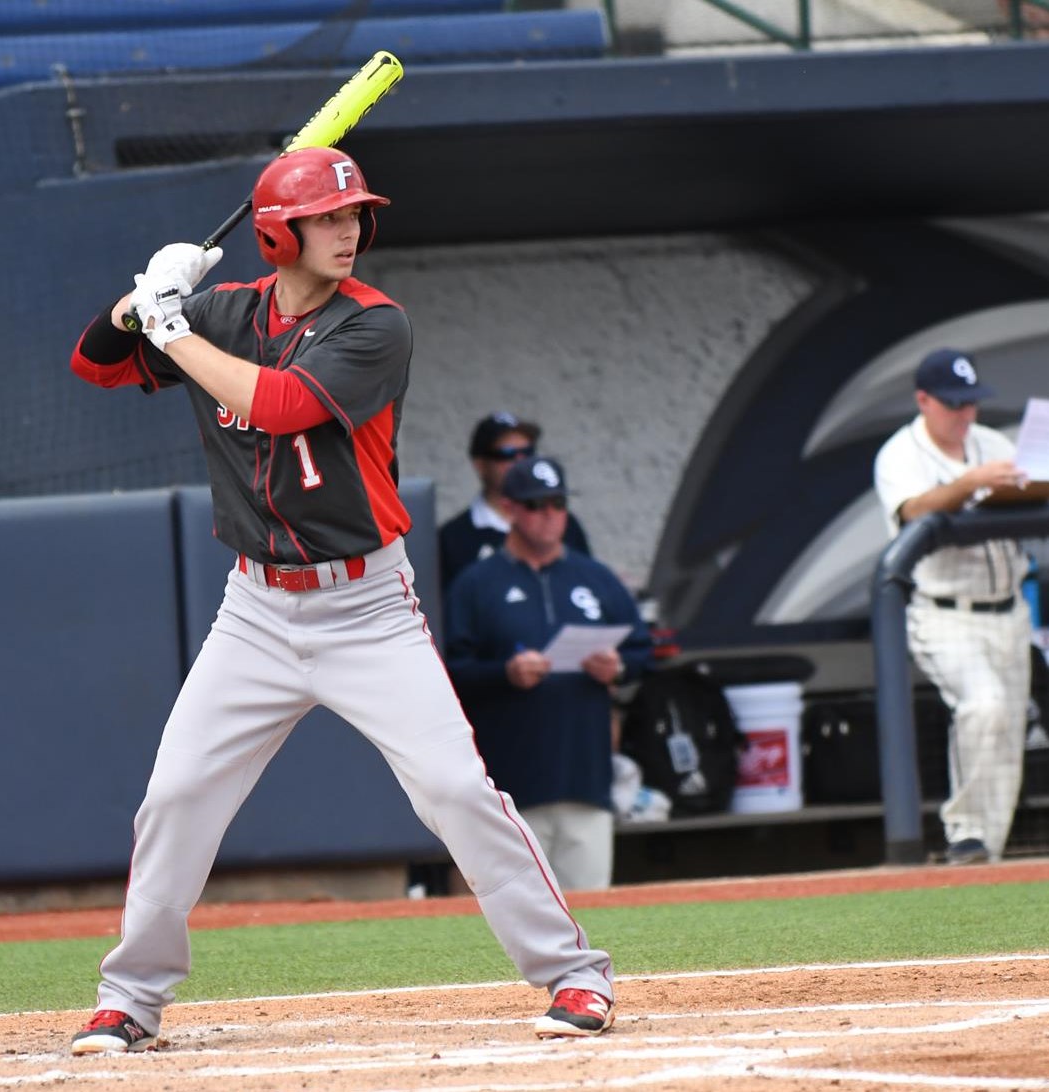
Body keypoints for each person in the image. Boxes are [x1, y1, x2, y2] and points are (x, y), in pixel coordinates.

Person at [65, 147, 615, 1053]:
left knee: (454, 790)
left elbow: (278, 403)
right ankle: (130, 998)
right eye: (328, 217)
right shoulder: (222, 315)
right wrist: (140, 299)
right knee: (176, 797)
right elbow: (96, 365)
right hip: (254, 610)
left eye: (356, 214)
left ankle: (573, 976)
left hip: (367, 608)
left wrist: (171, 329)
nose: (350, 229)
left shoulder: (377, 324)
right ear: (279, 232)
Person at [444, 455, 652, 890]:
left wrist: (617, 667)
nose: (550, 515)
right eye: (536, 504)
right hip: (512, 786)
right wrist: (505, 673)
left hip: (586, 780)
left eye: (558, 503)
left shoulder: (595, 577)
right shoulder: (477, 584)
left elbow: (641, 650)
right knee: (521, 913)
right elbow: (450, 672)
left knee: (594, 911)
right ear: (510, 508)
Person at [872, 349, 1031, 865]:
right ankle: (965, 834)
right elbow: (914, 510)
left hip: (1009, 608)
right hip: (945, 612)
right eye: (954, 404)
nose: (965, 414)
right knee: (982, 707)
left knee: (1006, 731)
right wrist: (969, 484)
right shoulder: (900, 453)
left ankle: (989, 855)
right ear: (924, 400)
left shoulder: (994, 443)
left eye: (971, 403)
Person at [437, 412, 592, 590]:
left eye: (527, 452)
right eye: (507, 454)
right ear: (481, 465)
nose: (521, 460)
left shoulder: (561, 523)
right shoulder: (453, 538)